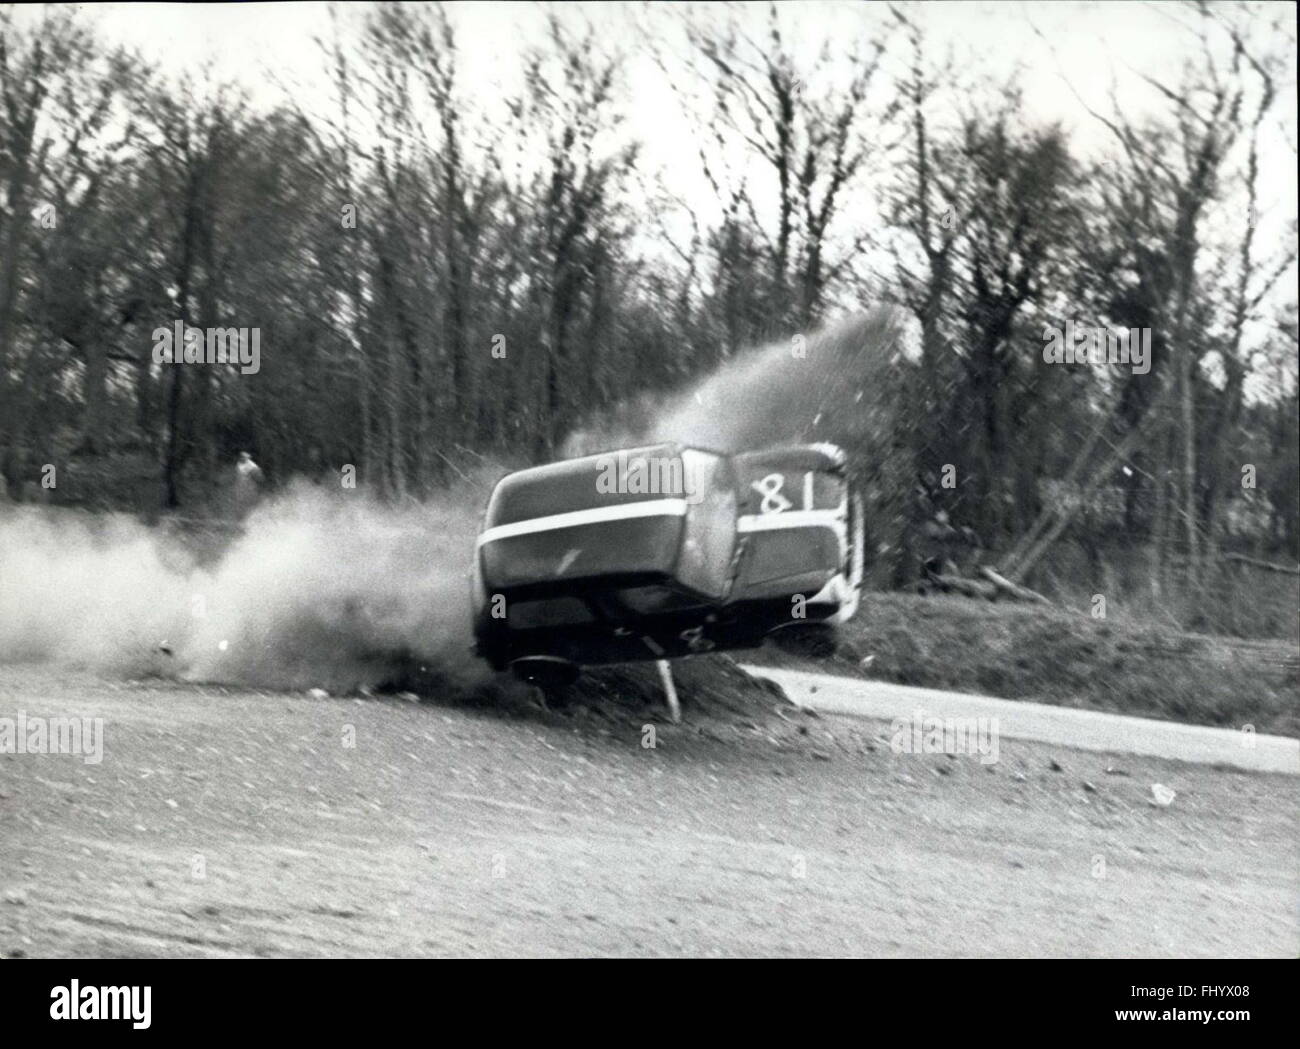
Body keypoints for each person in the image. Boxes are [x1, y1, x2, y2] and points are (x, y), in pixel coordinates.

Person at [232, 450, 265, 518]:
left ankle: (252, 515)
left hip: (249, 484)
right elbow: (238, 474)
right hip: (241, 484)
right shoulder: (239, 463)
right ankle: (240, 516)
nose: (243, 458)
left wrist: (252, 481)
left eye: (244, 457)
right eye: (242, 457)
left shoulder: (251, 465)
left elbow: (259, 475)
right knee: (239, 500)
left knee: (249, 500)